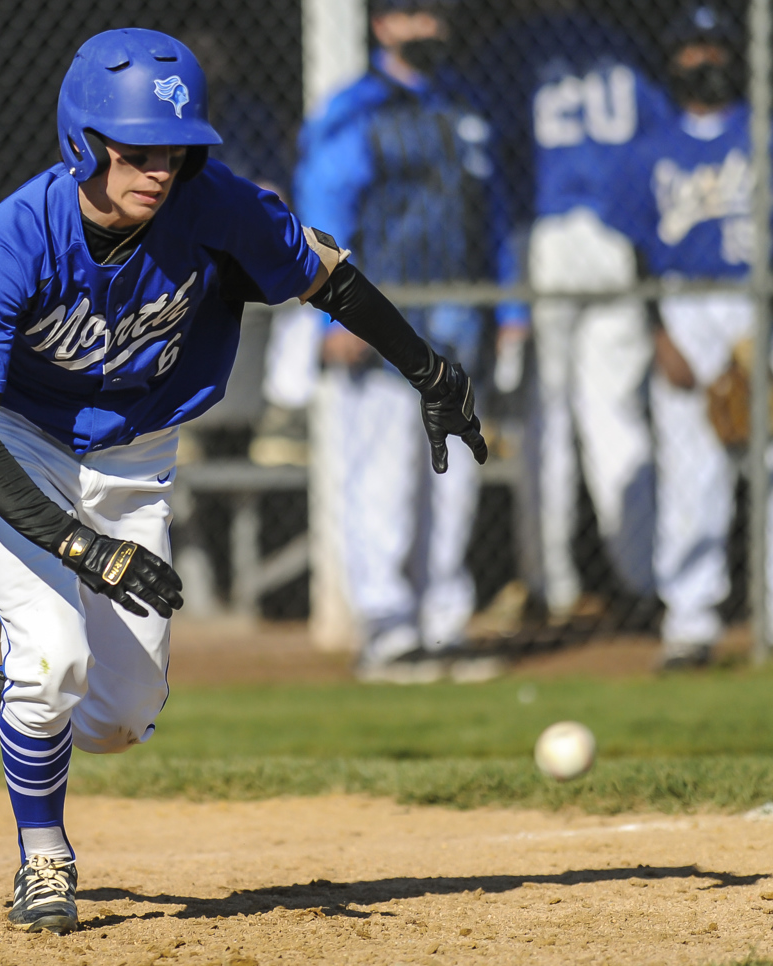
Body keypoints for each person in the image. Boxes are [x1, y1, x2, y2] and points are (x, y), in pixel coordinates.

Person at [0, 27, 486, 934]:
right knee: (52, 661)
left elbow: (326, 276)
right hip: (22, 442)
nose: (159, 169)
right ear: (81, 143)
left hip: (135, 453)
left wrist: (428, 370)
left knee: (119, 718)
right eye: (135, 151)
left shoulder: (213, 205)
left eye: (174, 150)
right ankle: (44, 859)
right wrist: (80, 548)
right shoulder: (12, 242)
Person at [295, 0, 521, 680]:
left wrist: (509, 310)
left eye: (436, 15)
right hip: (378, 326)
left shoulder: (468, 105)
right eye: (411, 15)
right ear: (382, 25)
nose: (427, 27)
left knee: (451, 487)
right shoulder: (353, 110)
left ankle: (443, 626)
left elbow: (498, 217)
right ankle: (389, 630)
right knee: (383, 481)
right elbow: (322, 214)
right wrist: (331, 315)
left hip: (459, 320)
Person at [472, 0, 670, 621]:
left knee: (546, 420)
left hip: (548, 236)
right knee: (615, 417)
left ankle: (551, 584)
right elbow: (657, 140)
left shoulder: (515, 43)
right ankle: (643, 580)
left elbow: (488, 148)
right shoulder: (614, 43)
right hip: (616, 239)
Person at [603, 5, 760, 669]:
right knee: (690, 472)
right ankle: (690, 622)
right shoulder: (649, 150)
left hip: (757, 298)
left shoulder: (764, 134)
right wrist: (658, 333)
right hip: (684, 305)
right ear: (672, 61)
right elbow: (635, 256)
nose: (704, 60)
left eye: (715, 46)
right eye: (692, 49)